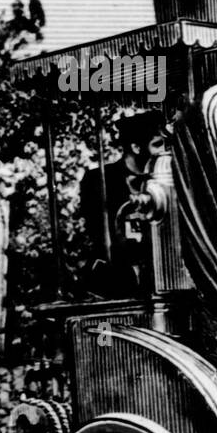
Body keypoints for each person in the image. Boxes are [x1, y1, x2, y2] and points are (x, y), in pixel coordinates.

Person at [81, 111, 168, 297]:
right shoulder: (99, 181)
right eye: (157, 144)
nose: (164, 151)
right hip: (114, 282)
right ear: (136, 147)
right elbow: (100, 235)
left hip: (163, 276)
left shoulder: (168, 180)